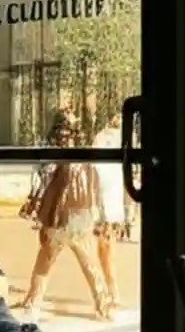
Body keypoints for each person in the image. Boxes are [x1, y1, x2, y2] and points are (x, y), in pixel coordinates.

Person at [17, 119, 113, 320]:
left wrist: (45, 220)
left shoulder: (60, 164)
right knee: (89, 264)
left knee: (46, 261)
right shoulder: (87, 164)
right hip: (82, 218)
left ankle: (34, 301)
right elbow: (96, 193)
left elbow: (53, 194)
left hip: (62, 220)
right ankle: (103, 305)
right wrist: (99, 219)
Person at [92, 113, 127, 308]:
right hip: (109, 207)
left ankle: (111, 291)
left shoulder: (105, 139)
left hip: (107, 207)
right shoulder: (114, 139)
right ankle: (110, 290)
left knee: (104, 252)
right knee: (105, 252)